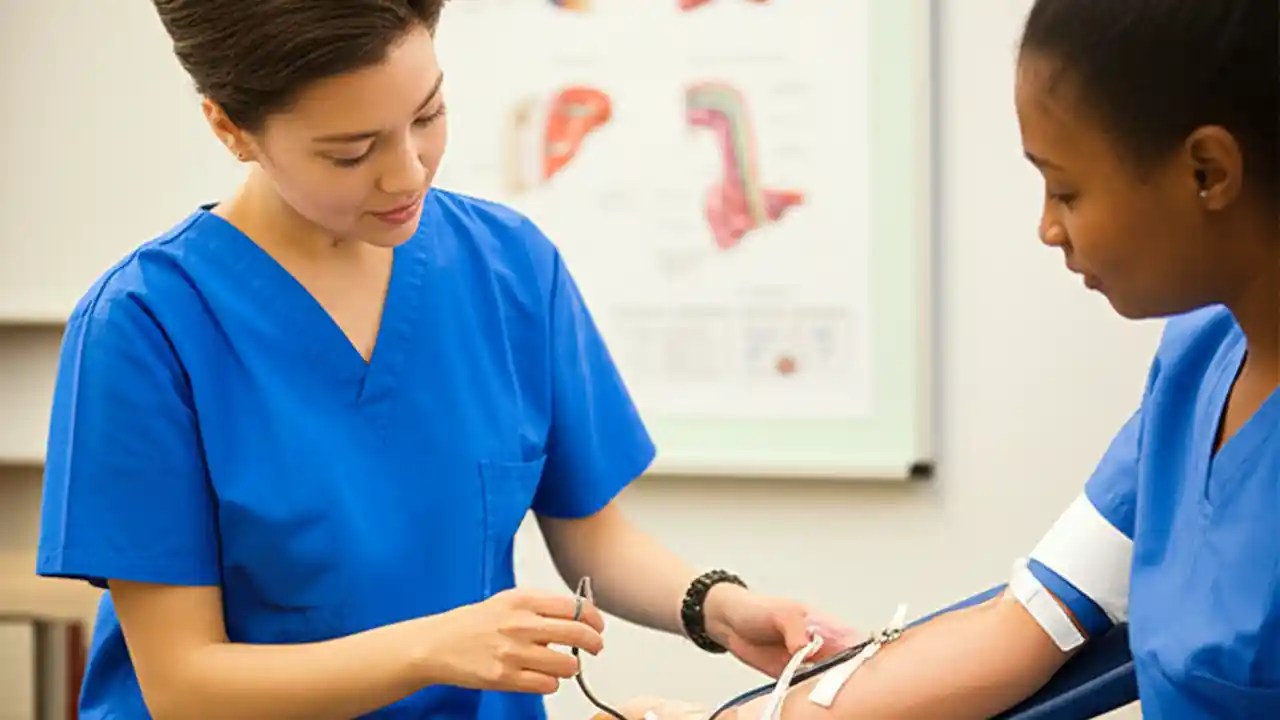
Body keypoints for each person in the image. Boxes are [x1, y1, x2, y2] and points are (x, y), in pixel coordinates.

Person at [32, 2, 855, 718]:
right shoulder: (146, 326)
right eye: (351, 152)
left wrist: (719, 608)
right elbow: (184, 685)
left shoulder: (508, 265)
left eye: (427, 116)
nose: (408, 173)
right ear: (229, 128)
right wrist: (433, 649)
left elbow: (593, 539)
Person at [628, 0, 1280, 717]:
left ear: (1208, 171)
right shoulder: (1199, 362)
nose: (1047, 227)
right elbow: (1021, 626)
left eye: (1066, 190)